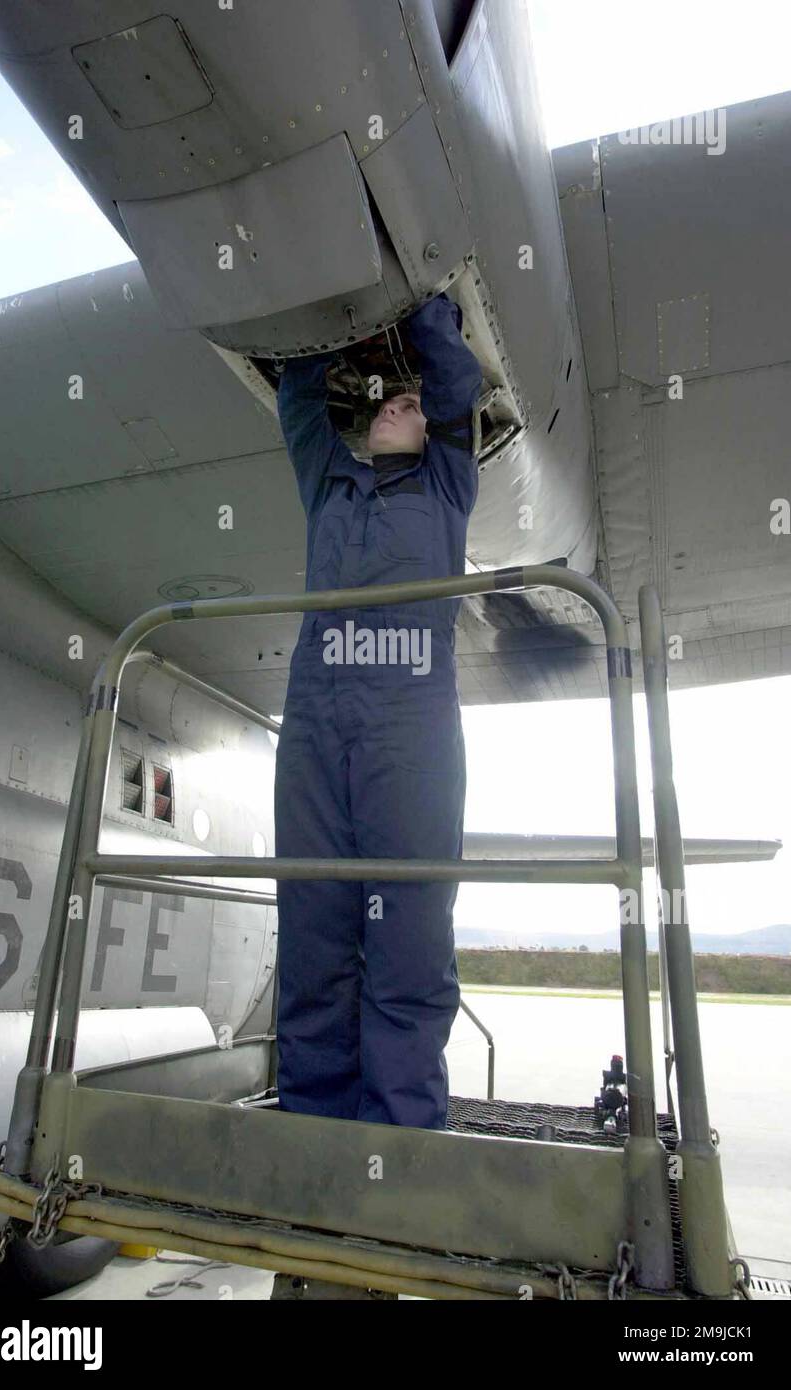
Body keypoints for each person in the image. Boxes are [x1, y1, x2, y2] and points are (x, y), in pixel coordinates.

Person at [273, 291, 483, 1133]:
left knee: (407, 941)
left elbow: (456, 385)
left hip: (412, 728)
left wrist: (420, 310)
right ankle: (313, 1135)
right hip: (317, 726)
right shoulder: (330, 489)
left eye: (411, 405)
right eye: (387, 402)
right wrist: (333, 331)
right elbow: (297, 401)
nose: (400, 405)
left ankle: (398, 1146)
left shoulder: (445, 486)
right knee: (315, 931)